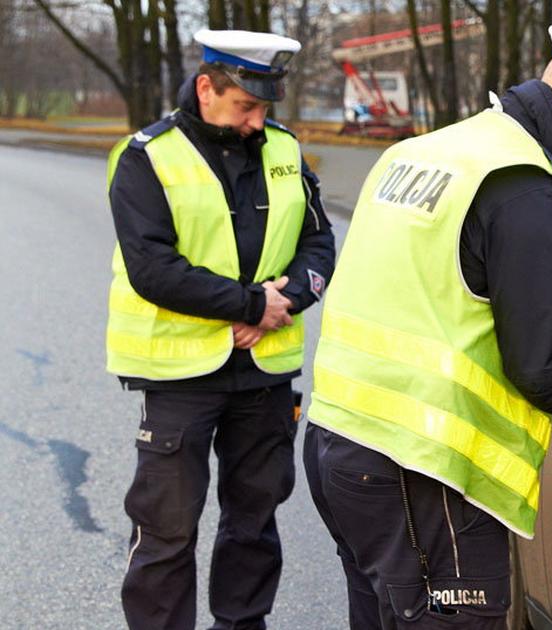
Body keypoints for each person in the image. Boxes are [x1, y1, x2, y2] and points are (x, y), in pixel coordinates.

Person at [302, 23, 552, 629]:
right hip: (425, 475)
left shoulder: (430, 152)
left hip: (342, 448)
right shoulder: (529, 192)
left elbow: (437, 287)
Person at [106, 29, 336, 630]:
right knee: (166, 530)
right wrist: (247, 304)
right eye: (247, 106)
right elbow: (152, 268)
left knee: (254, 523)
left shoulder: (284, 149)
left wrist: (283, 302)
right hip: (182, 376)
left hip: (264, 375)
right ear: (206, 88)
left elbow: (318, 243)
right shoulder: (146, 156)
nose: (258, 121)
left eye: (265, 107)